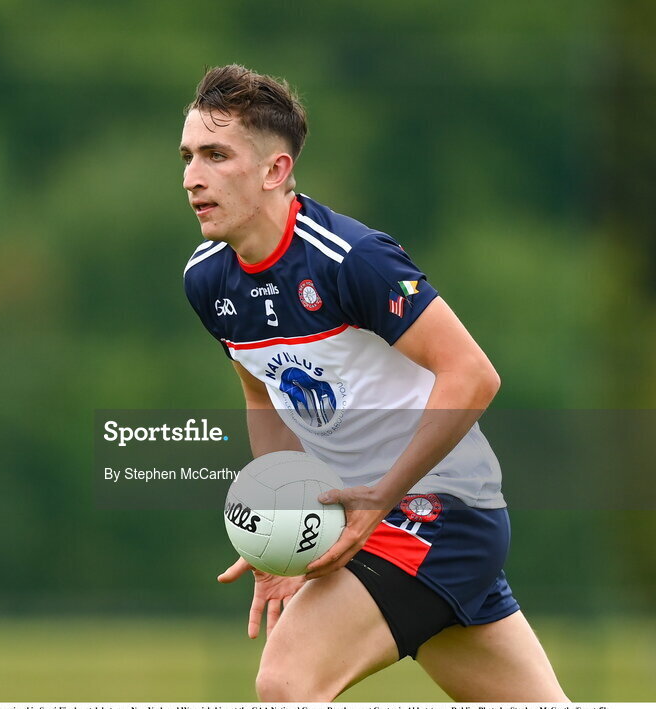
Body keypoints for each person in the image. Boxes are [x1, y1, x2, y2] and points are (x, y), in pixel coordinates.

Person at [180, 64, 568, 701]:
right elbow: (262, 396)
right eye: (189, 156)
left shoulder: (349, 260)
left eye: (217, 155)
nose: (193, 177)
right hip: (383, 521)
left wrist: (378, 502)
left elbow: (473, 375)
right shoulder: (208, 280)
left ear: (275, 170)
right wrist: (287, 531)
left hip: (439, 512)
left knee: (285, 684)